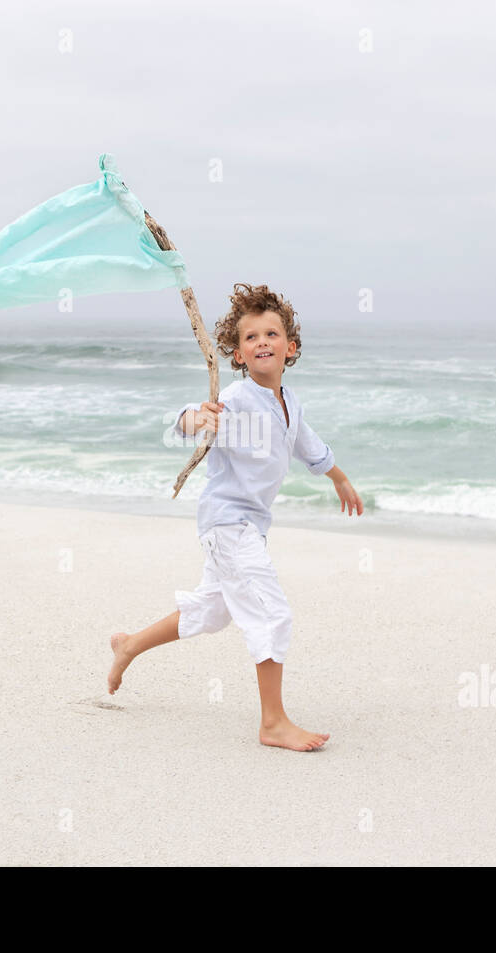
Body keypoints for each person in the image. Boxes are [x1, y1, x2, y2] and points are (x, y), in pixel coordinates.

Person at [108, 283, 363, 751]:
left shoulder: (290, 402)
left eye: (272, 333)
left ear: (291, 346)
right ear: (238, 354)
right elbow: (184, 421)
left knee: (211, 611)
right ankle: (273, 723)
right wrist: (194, 418)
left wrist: (339, 479)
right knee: (271, 611)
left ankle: (129, 645)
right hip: (228, 524)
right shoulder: (238, 398)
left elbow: (310, 447)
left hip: (248, 526)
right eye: (250, 337)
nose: (262, 341)